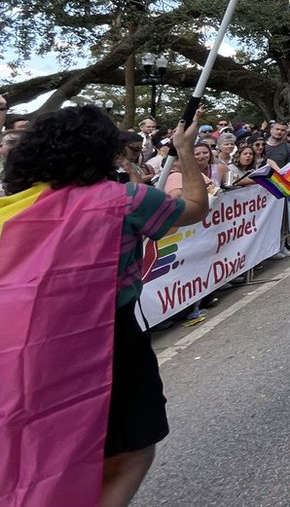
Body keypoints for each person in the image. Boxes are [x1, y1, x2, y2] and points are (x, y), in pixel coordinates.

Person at [0, 106, 211, 507]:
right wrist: (184, 149)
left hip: (22, 353)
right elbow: (198, 208)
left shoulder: (10, 212)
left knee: (46, 454)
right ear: (102, 150)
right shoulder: (127, 200)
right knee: (132, 449)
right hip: (110, 344)